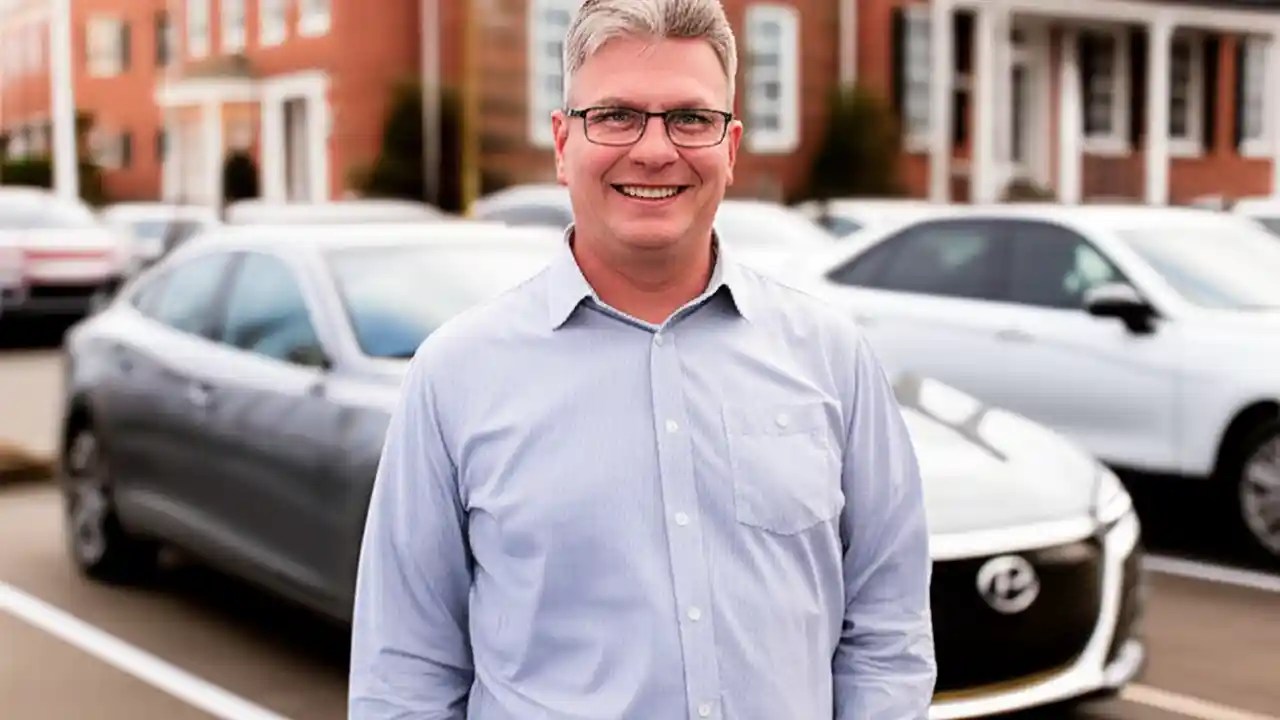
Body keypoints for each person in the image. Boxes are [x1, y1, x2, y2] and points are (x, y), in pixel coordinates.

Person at [347, 0, 936, 717]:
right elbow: (403, 675)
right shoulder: (455, 376)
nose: (655, 150)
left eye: (690, 118)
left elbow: (888, 629)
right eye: (616, 115)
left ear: (731, 146)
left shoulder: (831, 357)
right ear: (563, 144)